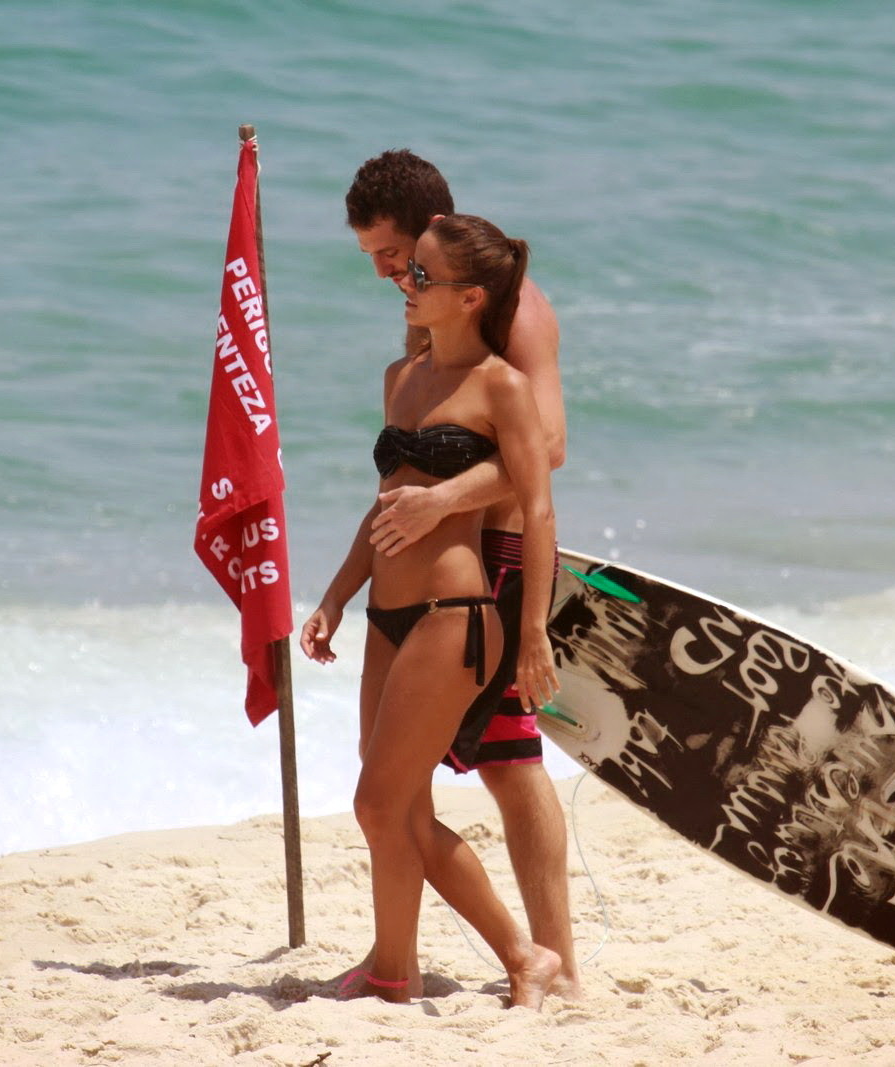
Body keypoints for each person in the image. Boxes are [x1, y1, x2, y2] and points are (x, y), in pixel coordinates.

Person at [333, 149, 581, 999]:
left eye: (391, 255)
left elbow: (543, 451)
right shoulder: (423, 320)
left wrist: (442, 506)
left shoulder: (514, 314)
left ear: (429, 236)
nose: (385, 274)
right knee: (397, 786)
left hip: (496, 564)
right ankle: (394, 960)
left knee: (511, 765)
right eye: (374, 260)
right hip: (417, 577)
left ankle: (554, 962)